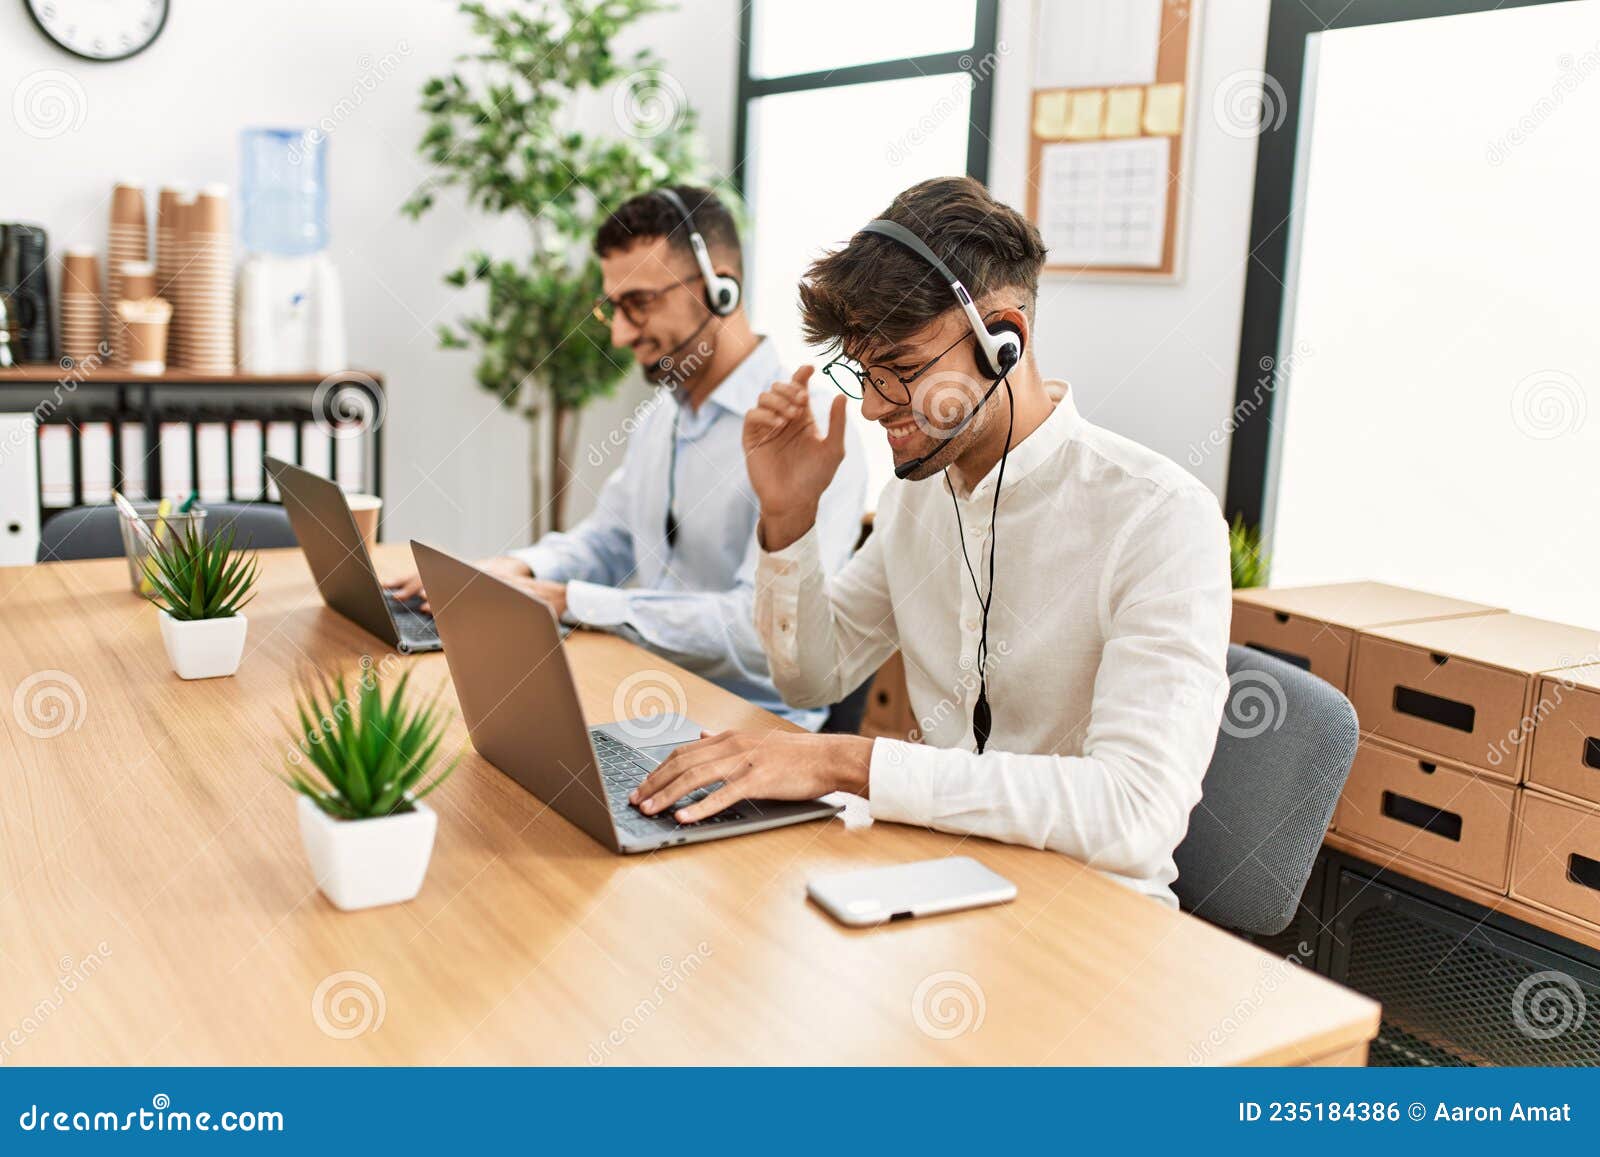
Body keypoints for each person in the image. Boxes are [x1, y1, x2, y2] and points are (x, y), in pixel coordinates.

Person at [630, 177, 1232, 906]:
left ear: (1003, 340)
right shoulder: (916, 498)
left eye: (904, 370)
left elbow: (1135, 814)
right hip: (935, 883)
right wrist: (788, 519)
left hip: (1091, 918)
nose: (872, 406)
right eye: (864, 372)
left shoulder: (1160, 519)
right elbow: (811, 679)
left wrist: (849, 763)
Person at [388, 186, 866, 729]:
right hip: (647, 690)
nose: (618, 334)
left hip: (752, 724)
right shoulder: (663, 415)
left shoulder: (808, 433)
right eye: (612, 308)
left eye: (639, 303)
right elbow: (611, 541)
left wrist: (567, 601)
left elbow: (759, 633)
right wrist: (515, 571)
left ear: (721, 289)